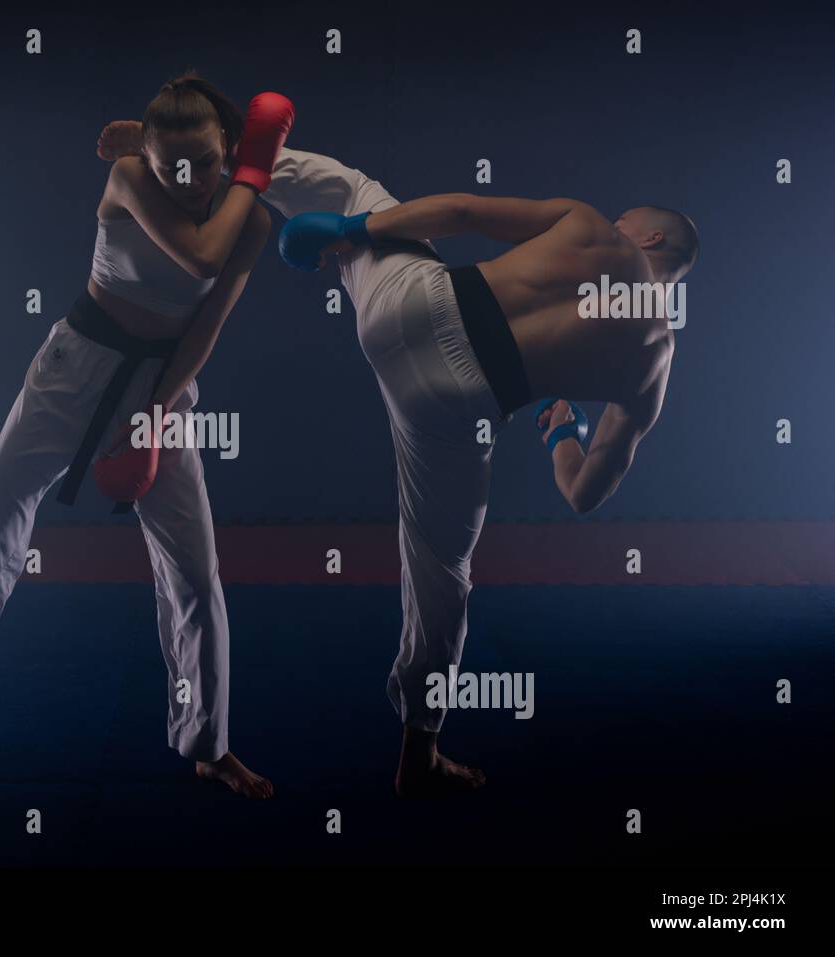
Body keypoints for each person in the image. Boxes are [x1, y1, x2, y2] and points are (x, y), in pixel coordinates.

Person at [96, 126, 696, 795]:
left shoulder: (593, 229)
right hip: (459, 405)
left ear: (648, 240)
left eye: (628, 222)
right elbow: (586, 493)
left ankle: (201, 155)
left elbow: (462, 211)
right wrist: (562, 434)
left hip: (413, 309)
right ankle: (420, 753)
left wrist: (354, 230)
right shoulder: (653, 362)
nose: (618, 221)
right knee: (443, 573)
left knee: (353, 187)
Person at [0, 77, 294, 799]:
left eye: (204, 164)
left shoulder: (249, 220)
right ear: (146, 157)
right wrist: (247, 173)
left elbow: (206, 326)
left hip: (162, 382)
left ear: (225, 147)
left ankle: (208, 741)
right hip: (72, 371)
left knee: (194, 573)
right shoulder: (129, 175)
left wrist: (156, 416)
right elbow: (195, 257)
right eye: (172, 166)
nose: (188, 181)